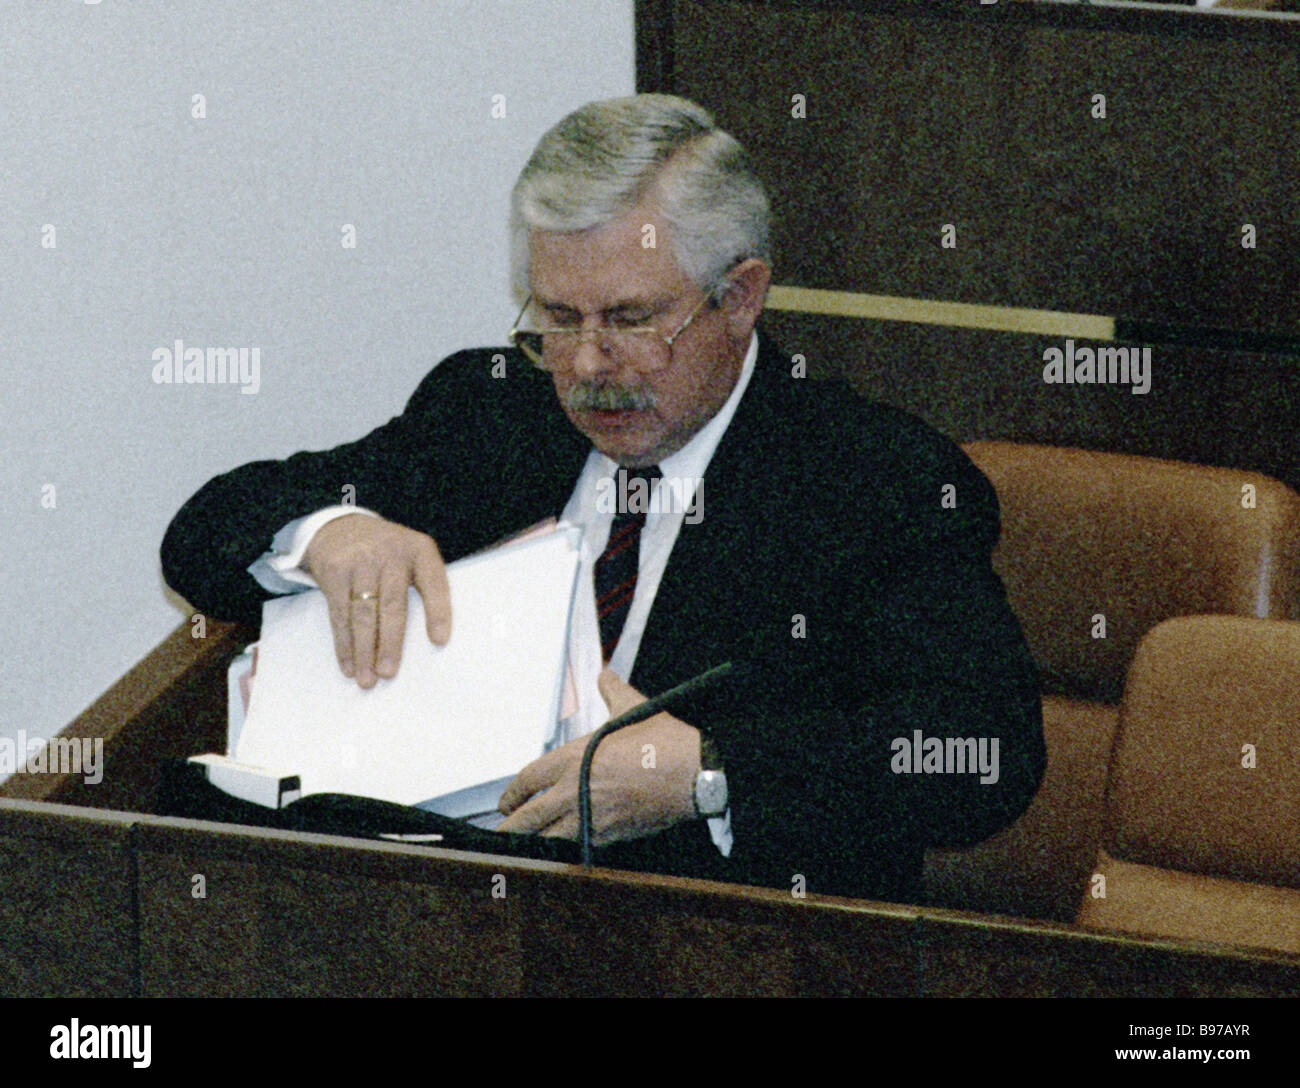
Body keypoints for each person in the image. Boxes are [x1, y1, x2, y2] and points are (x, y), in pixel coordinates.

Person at [161, 93, 1045, 902]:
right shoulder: (492, 408)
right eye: (556, 317)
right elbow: (202, 537)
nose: (585, 366)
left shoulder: (874, 479)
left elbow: (985, 755)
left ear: (740, 297)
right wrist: (330, 531)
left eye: (628, 321)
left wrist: (711, 775)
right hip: (451, 913)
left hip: (720, 944)